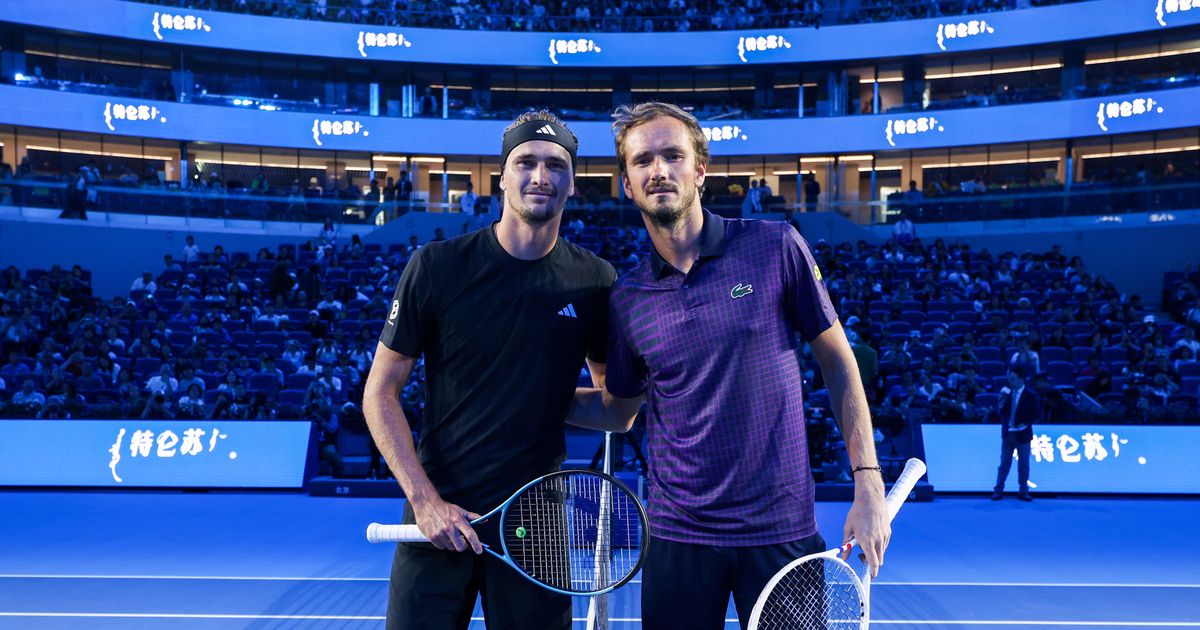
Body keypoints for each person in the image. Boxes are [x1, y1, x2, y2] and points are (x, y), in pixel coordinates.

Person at [568, 102, 889, 629]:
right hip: (678, 538)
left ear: (700, 169)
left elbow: (838, 363)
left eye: (673, 155)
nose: (659, 170)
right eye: (643, 160)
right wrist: (531, 398)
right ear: (626, 183)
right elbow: (617, 412)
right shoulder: (627, 297)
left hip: (780, 531)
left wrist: (867, 483)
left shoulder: (774, 245)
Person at [363, 109, 615, 630]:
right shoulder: (436, 266)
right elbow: (379, 394)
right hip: (438, 515)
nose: (540, 176)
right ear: (501, 176)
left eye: (555, 165)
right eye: (526, 162)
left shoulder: (595, 281)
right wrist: (425, 501)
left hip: (536, 524)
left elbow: (615, 408)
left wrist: (542, 397)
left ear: (573, 184)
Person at [992, 366, 1041, 501]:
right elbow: (1001, 413)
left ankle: (1023, 490)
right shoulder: (1006, 392)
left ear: (1021, 379)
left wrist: (1025, 422)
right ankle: (998, 489)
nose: (1010, 381)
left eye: (1013, 378)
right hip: (1008, 433)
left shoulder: (1031, 395)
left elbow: (1036, 415)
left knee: (1024, 464)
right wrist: (1000, 403)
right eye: (1009, 378)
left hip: (1023, 434)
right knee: (1004, 463)